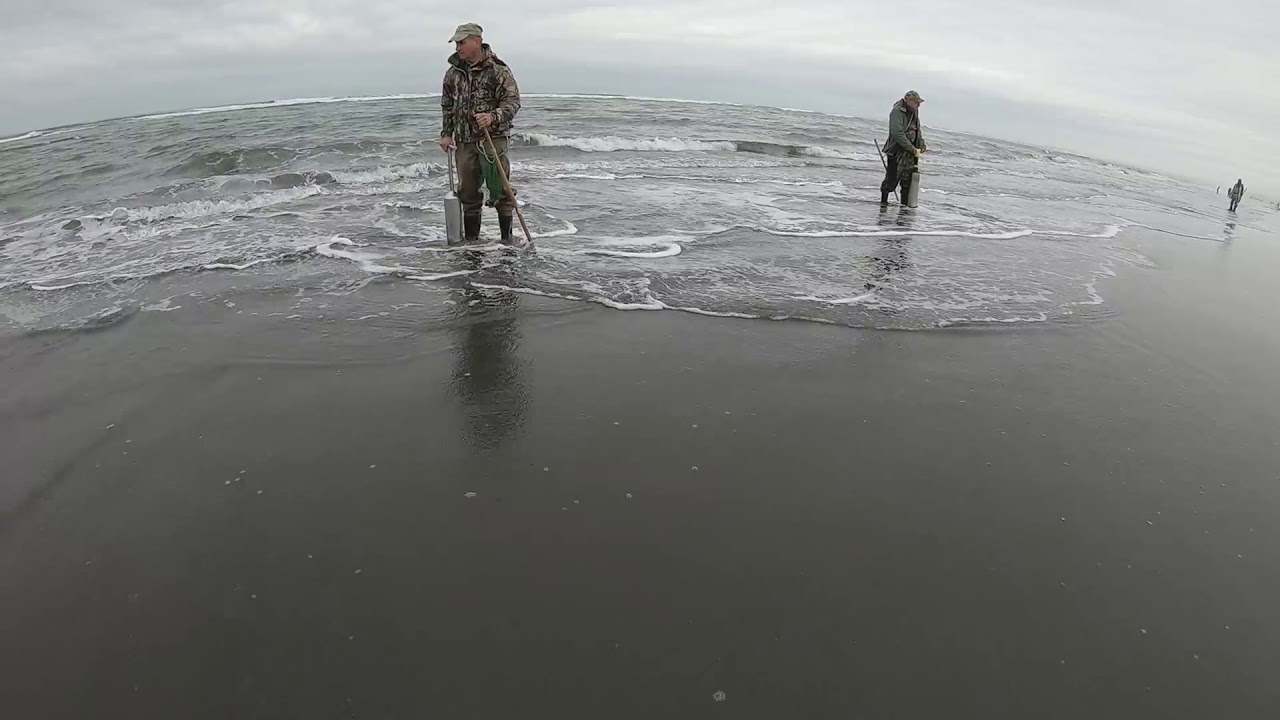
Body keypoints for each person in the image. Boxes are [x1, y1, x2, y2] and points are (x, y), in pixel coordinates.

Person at [438, 23, 522, 244]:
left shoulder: (498, 70)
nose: (458, 47)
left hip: (492, 140)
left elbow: (512, 102)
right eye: (456, 43)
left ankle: (507, 241)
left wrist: (493, 116)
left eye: (462, 42)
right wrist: (446, 134)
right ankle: (472, 244)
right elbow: (447, 106)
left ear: (477, 41)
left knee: (501, 191)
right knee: (467, 192)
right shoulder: (452, 73)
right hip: (464, 141)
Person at [880, 91, 927, 206]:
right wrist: (911, 148)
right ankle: (883, 204)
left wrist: (921, 145)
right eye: (916, 102)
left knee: (907, 182)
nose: (918, 105)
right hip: (896, 151)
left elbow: (917, 131)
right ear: (908, 101)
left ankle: (904, 208)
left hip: (910, 153)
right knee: (892, 180)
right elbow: (897, 133)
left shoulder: (914, 112)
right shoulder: (897, 112)